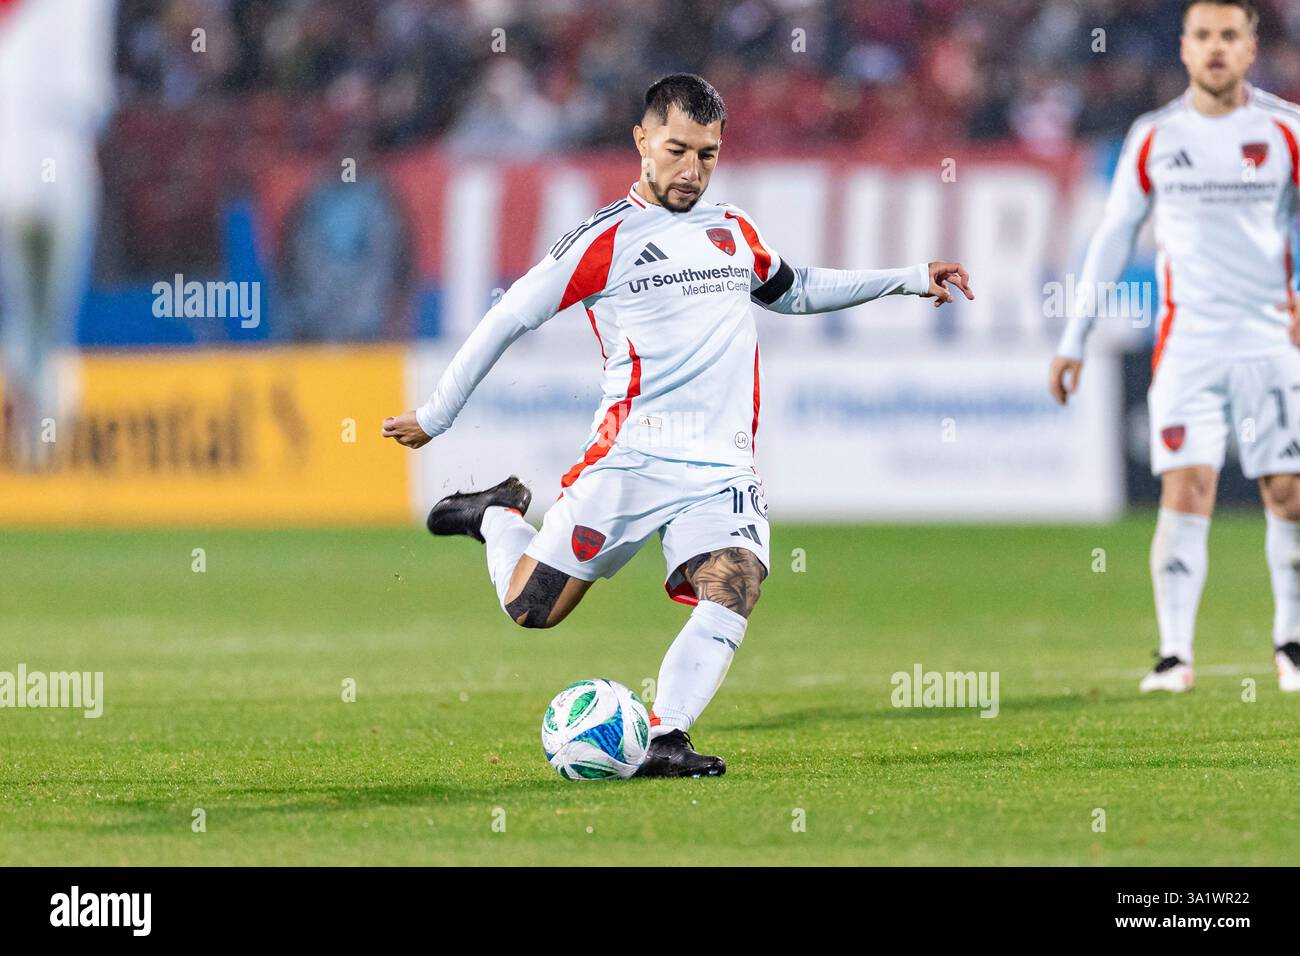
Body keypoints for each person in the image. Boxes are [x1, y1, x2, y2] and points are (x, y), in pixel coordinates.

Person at [384, 73, 973, 775]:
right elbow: (508, 316)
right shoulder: (604, 239)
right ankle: (496, 515)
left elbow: (797, 290)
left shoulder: (732, 230)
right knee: (533, 610)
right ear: (642, 141)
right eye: (677, 150)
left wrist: (908, 276)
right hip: (629, 460)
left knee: (736, 581)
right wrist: (436, 414)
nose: (692, 171)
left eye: (707, 154)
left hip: (720, 467)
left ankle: (667, 737)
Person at [1049, 0, 1300, 692]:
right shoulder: (1155, 136)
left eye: (1230, 35)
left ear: (1251, 49)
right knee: (1187, 488)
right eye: (1203, 35)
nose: (1216, 47)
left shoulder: (1286, 130)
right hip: (1187, 343)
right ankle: (1174, 655)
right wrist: (1075, 336)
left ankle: (1292, 644)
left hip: (1272, 339)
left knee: (1288, 492)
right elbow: (1113, 236)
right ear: (1184, 48)